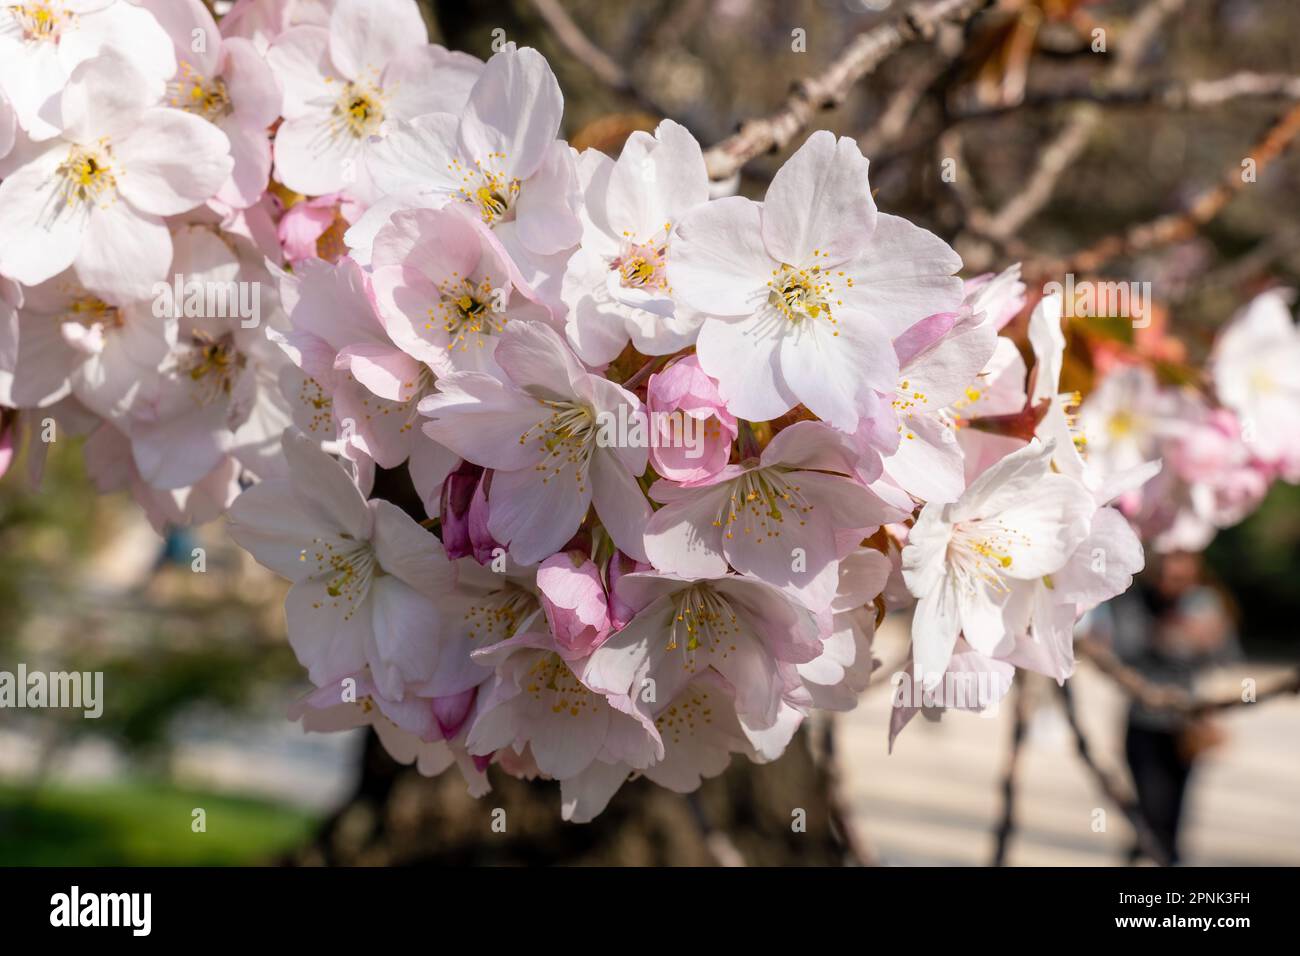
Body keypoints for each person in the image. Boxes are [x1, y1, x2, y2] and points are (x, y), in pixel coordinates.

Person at [1100, 551, 1239, 864]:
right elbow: (1124, 651)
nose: (1170, 581)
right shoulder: (1131, 601)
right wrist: (1165, 635)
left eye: (1180, 575)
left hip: (1186, 726)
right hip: (1144, 722)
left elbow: (1227, 656)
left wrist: (1209, 637)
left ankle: (1167, 860)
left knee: (1177, 808)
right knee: (1150, 804)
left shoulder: (1204, 602)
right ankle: (1146, 853)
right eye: (1165, 573)